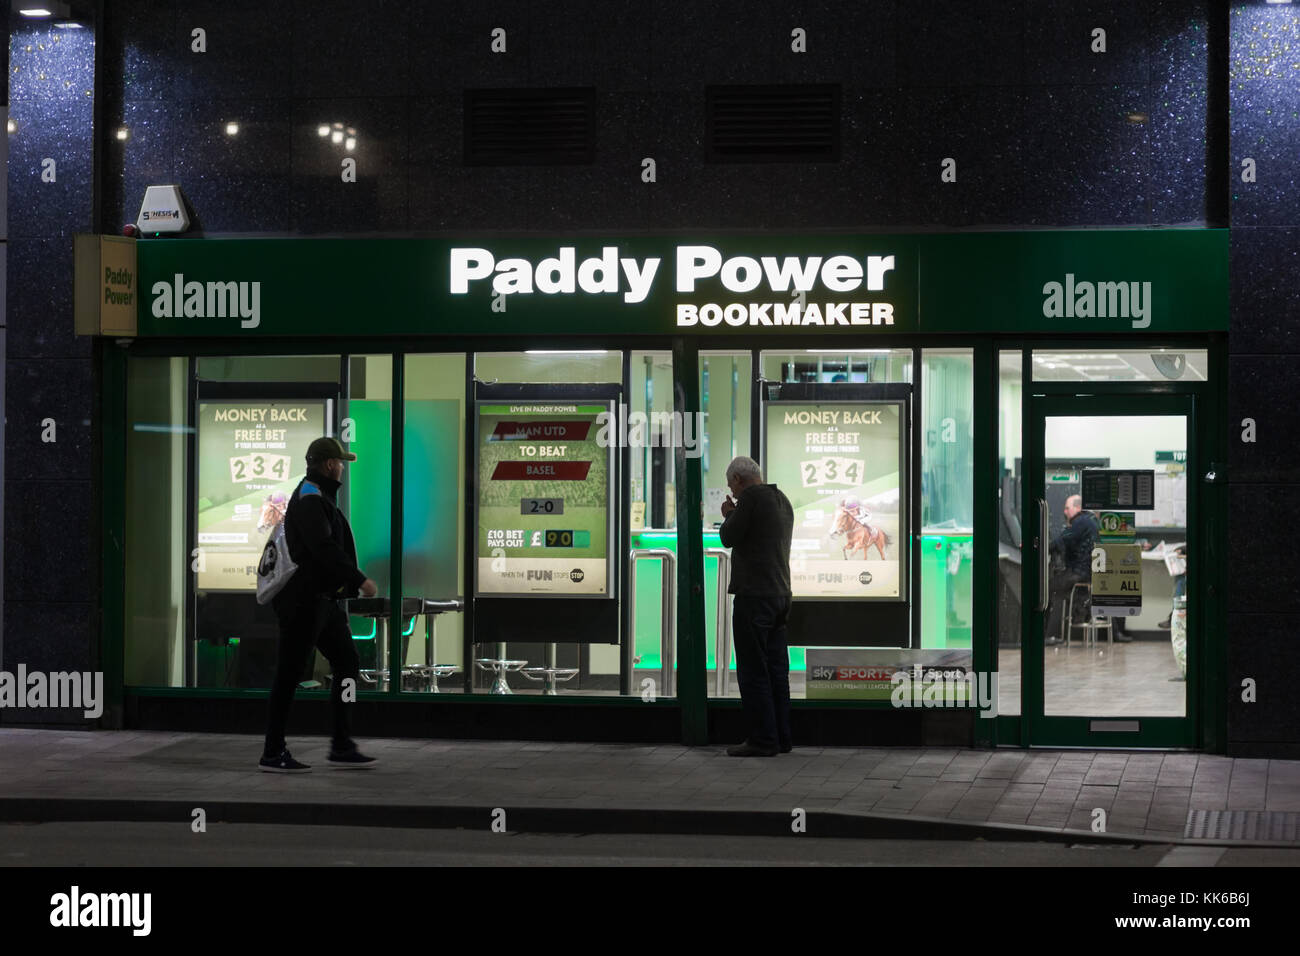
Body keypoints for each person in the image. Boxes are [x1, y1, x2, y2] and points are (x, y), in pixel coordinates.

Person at [260, 436, 380, 772]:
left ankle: (341, 744)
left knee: (347, 663)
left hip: (323, 602)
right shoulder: (311, 498)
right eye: (341, 462)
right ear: (329, 464)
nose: (342, 468)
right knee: (289, 674)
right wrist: (360, 580)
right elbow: (323, 548)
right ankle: (272, 751)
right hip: (304, 602)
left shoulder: (318, 494)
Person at [718, 456, 795, 757]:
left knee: (753, 670)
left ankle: (763, 739)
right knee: (778, 670)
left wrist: (728, 514)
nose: (732, 493)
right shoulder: (781, 499)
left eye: (731, 486)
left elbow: (728, 537)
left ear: (738, 479)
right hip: (780, 595)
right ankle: (782, 737)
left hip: (754, 596)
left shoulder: (749, 499)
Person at [1045, 494, 1104, 645]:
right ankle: (1079, 615)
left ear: (1077, 508)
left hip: (1080, 573)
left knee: (1047, 589)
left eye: (1067, 508)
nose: (1065, 512)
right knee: (1057, 585)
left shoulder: (1081, 522)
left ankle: (1045, 635)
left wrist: (1042, 548)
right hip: (1089, 573)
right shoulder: (1090, 520)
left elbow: (1063, 539)